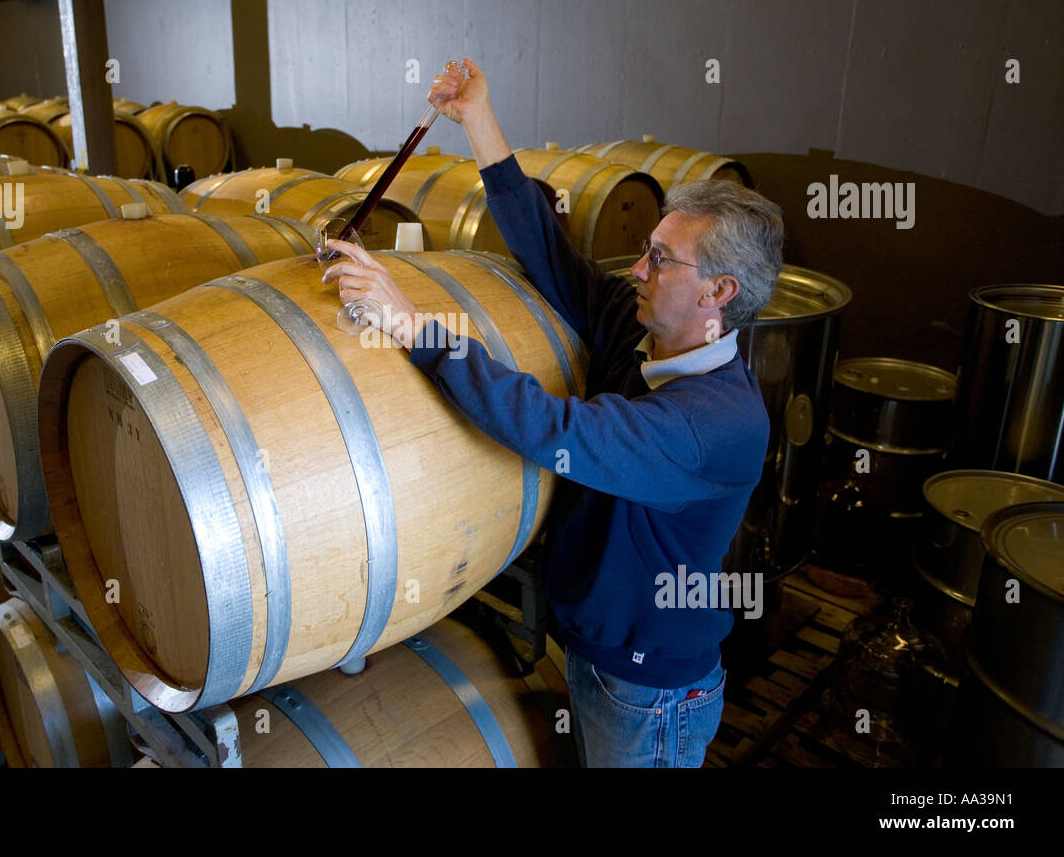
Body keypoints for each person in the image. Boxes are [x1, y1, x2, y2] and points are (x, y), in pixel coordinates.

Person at [322, 58, 783, 767]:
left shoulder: (717, 424)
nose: (637, 268)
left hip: (649, 689)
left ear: (719, 291)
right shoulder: (639, 332)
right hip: (597, 654)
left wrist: (413, 325)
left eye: (661, 260)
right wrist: (479, 119)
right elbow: (550, 253)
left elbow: (558, 431)